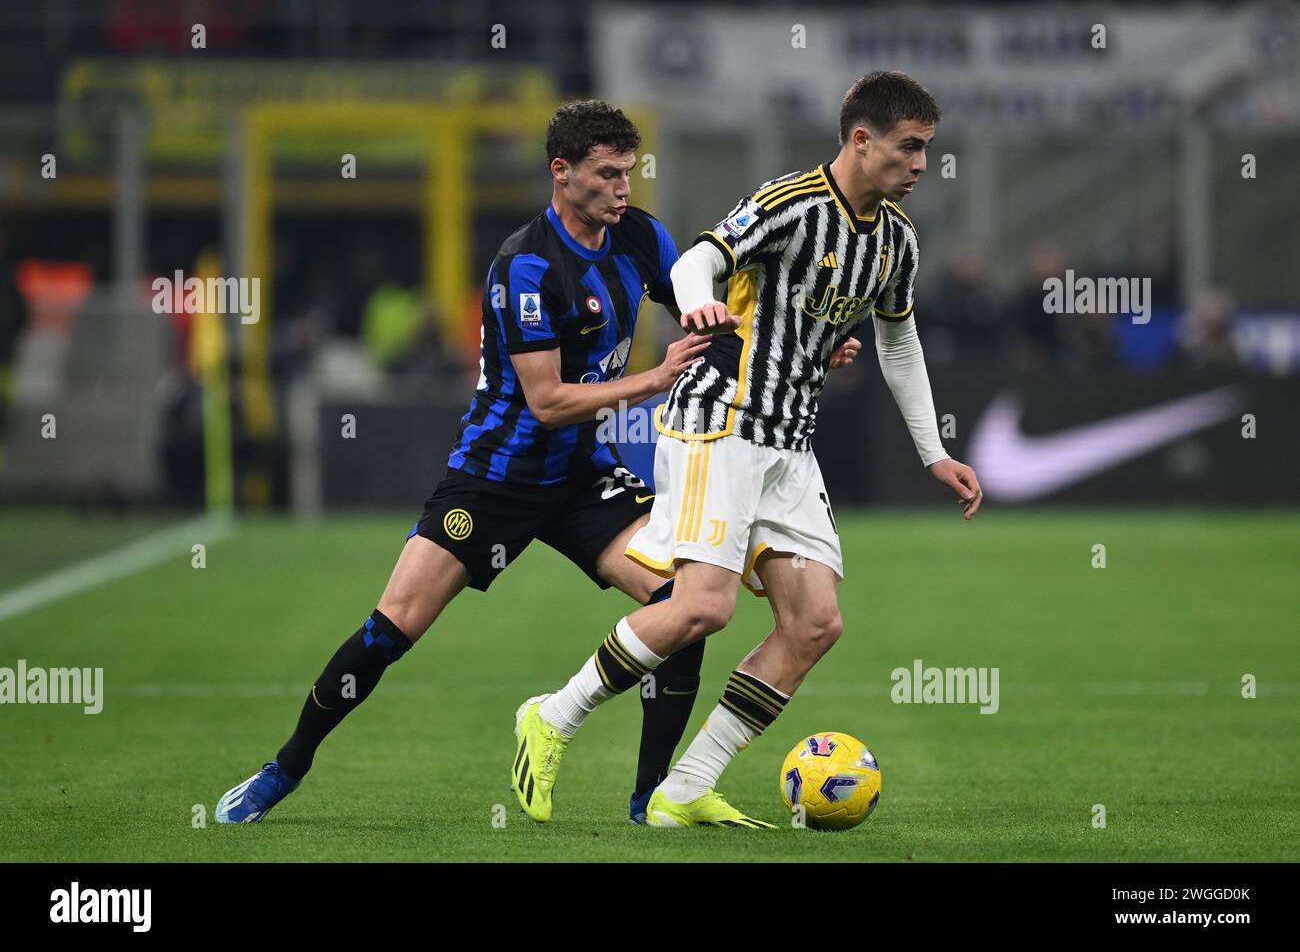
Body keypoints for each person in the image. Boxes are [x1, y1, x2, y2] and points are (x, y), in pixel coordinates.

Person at [218, 100, 723, 824]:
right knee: (390, 628)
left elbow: (705, 317)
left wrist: (792, 350)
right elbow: (546, 402)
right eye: (608, 174)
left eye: (629, 173)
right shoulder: (524, 266)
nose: (623, 189)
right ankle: (282, 770)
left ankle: (649, 802)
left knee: (684, 608)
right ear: (562, 171)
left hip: (582, 477)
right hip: (495, 480)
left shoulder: (639, 236)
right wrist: (652, 379)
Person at [510, 71, 983, 828]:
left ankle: (684, 788)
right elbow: (701, 257)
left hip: (790, 444)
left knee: (815, 623)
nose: (923, 163)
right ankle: (551, 717)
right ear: (862, 141)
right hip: (719, 423)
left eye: (928, 148)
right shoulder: (789, 204)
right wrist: (698, 297)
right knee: (703, 607)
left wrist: (933, 452)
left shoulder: (896, 241)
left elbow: (899, 342)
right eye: (911, 146)